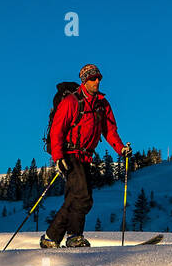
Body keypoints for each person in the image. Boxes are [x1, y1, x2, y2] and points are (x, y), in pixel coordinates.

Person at [42, 64, 129, 248]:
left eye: (98, 78)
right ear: (84, 80)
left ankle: (51, 237)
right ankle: (74, 237)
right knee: (83, 197)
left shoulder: (102, 104)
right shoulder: (71, 101)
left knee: (74, 198)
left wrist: (121, 149)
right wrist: (58, 158)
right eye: (92, 78)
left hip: (86, 157)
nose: (96, 81)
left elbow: (109, 130)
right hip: (69, 154)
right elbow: (57, 130)